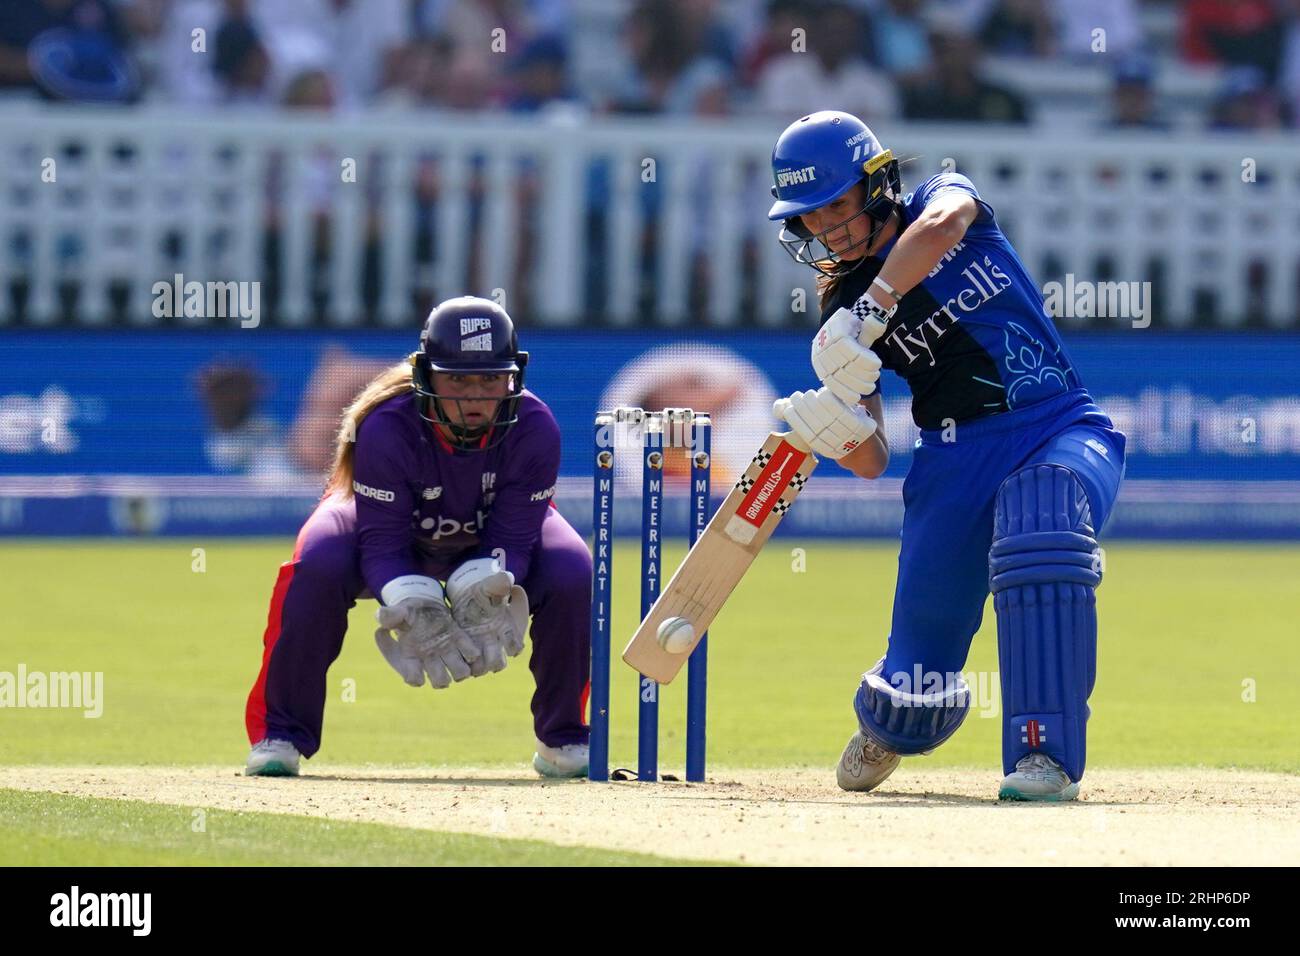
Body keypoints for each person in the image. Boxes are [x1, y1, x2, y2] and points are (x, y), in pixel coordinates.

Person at [766, 111, 1126, 801]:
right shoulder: (837, 303)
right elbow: (872, 458)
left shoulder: (940, 197)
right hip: (952, 467)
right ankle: (887, 724)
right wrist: (835, 429)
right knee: (911, 696)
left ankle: (1042, 757)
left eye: (837, 204)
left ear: (877, 184)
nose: (827, 228)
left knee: (1044, 518)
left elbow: (941, 230)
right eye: (809, 218)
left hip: (1058, 424)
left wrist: (873, 310)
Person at [244, 296, 592, 778]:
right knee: (318, 562)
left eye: (491, 378)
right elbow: (381, 544)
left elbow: (515, 534)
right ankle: (280, 734)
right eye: (459, 379)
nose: (475, 397)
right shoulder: (388, 426)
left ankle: (565, 737)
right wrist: (410, 596)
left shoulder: (535, 427)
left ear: (513, 375)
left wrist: (490, 583)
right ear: (428, 374)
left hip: (487, 535)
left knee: (572, 568)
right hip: (390, 536)